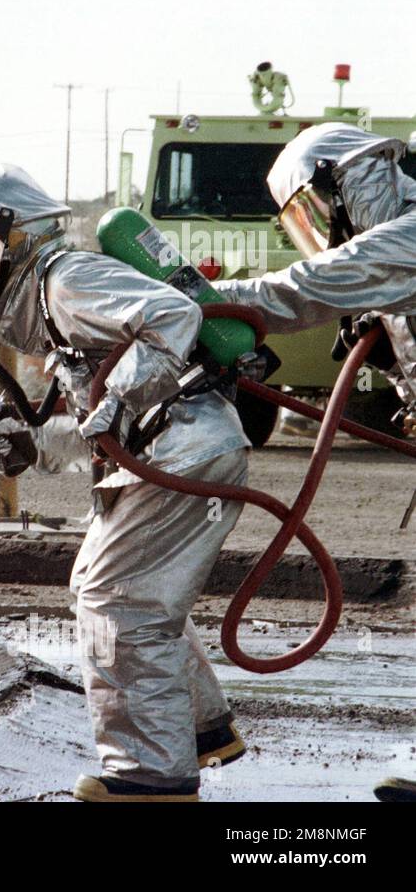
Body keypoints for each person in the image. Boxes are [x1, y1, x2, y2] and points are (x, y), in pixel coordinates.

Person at [0, 165, 249, 802]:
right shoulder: (55, 300)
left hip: (181, 450)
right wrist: (32, 444)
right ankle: (199, 725)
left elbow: (171, 315)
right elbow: (102, 423)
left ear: (12, 237)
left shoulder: (64, 278)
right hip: (177, 448)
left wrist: (114, 400)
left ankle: (151, 778)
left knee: (118, 599)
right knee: (109, 585)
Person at [211, 123, 416, 802]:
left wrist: (180, 299)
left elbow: (293, 292)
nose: (318, 230)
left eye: (311, 211)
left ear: (346, 184)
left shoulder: (406, 235)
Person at [212, 123, 416, 431]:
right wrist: (392, 364)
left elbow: (303, 289)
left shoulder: (406, 237)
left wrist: (200, 297)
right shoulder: (392, 272)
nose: (327, 234)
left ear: (352, 179)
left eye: (316, 211)